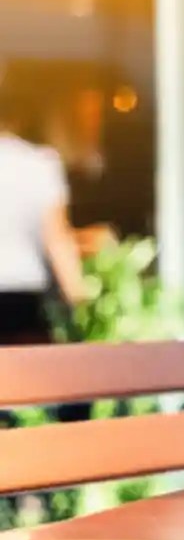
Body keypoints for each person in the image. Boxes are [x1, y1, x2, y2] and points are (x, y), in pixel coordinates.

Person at [0, 76, 87, 344]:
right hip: (21, 300)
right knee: (31, 381)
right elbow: (56, 238)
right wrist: (80, 301)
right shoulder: (39, 163)